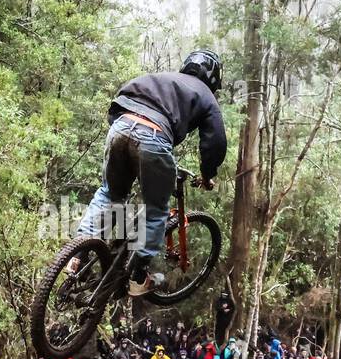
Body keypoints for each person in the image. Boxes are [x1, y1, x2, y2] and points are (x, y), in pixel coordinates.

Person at [73, 50, 227, 296]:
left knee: (110, 195)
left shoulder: (161, 78)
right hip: (154, 137)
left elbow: (120, 98)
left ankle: (78, 253)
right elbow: (215, 142)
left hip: (120, 126)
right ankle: (138, 274)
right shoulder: (206, 95)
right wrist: (208, 174)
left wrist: (125, 134)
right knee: (157, 210)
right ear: (214, 77)